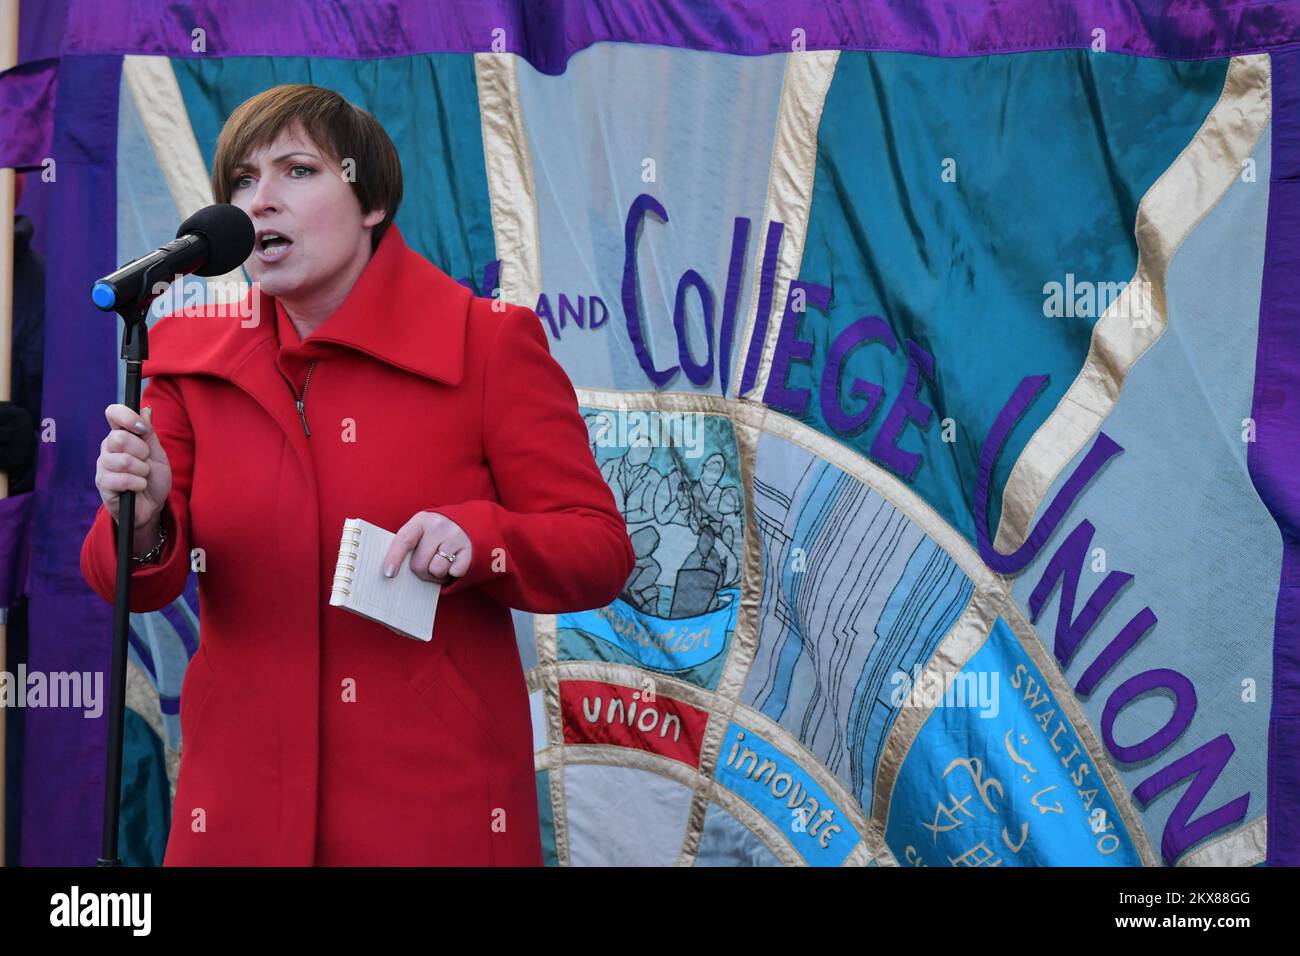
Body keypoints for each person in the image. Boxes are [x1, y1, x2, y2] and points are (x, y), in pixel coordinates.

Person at [79, 84, 635, 866]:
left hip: (432, 817)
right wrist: (141, 522)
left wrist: (479, 539)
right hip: (236, 817)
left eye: (296, 171)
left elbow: (598, 551)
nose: (260, 201)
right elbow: (126, 580)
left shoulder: (486, 346)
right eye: (242, 181)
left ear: (369, 200)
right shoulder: (183, 360)